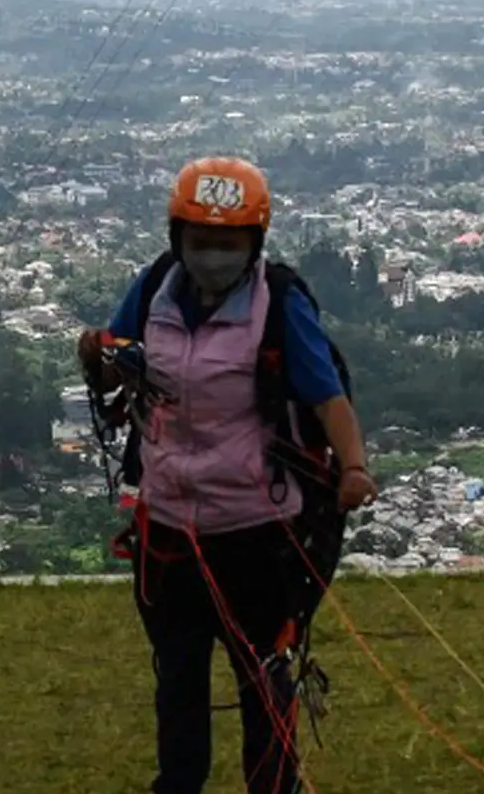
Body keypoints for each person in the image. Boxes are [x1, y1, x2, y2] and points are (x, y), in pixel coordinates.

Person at [77, 156, 377, 794]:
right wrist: (94, 354)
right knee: (179, 681)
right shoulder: (157, 288)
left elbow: (326, 396)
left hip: (257, 533)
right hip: (169, 534)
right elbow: (116, 361)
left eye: (228, 242)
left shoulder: (278, 306)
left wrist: (353, 466)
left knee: (264, 682)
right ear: (177, 239)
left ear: (254, 243)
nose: (213, 254)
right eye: (201, 241)